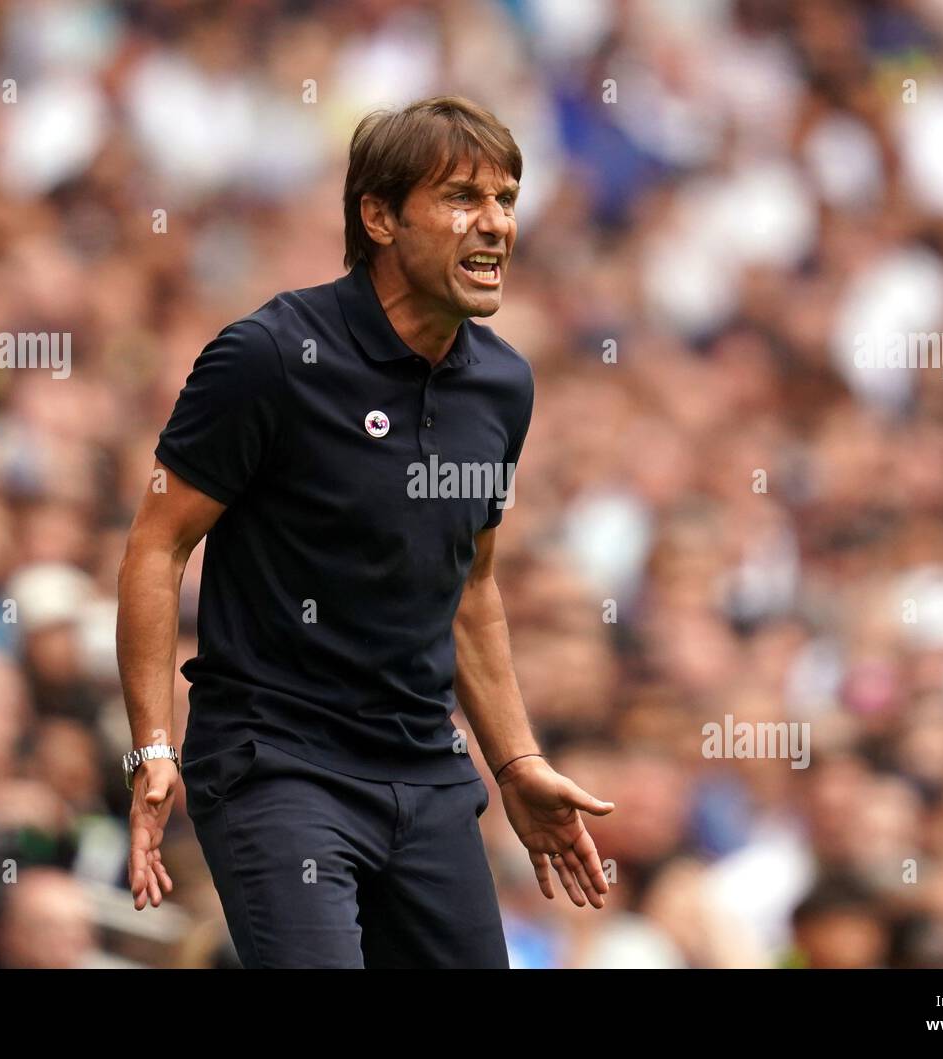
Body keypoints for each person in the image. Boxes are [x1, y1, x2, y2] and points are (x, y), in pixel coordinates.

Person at [116, 96, 615, 968]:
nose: (495, 224)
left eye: (506, 198)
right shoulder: (269, 355)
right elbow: (157, 544)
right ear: (378, 216)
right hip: (277, 763)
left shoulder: (501, 385)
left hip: (425, 770)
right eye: (463, 197)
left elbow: (470, 585)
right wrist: (154, 744)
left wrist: (516, 760)